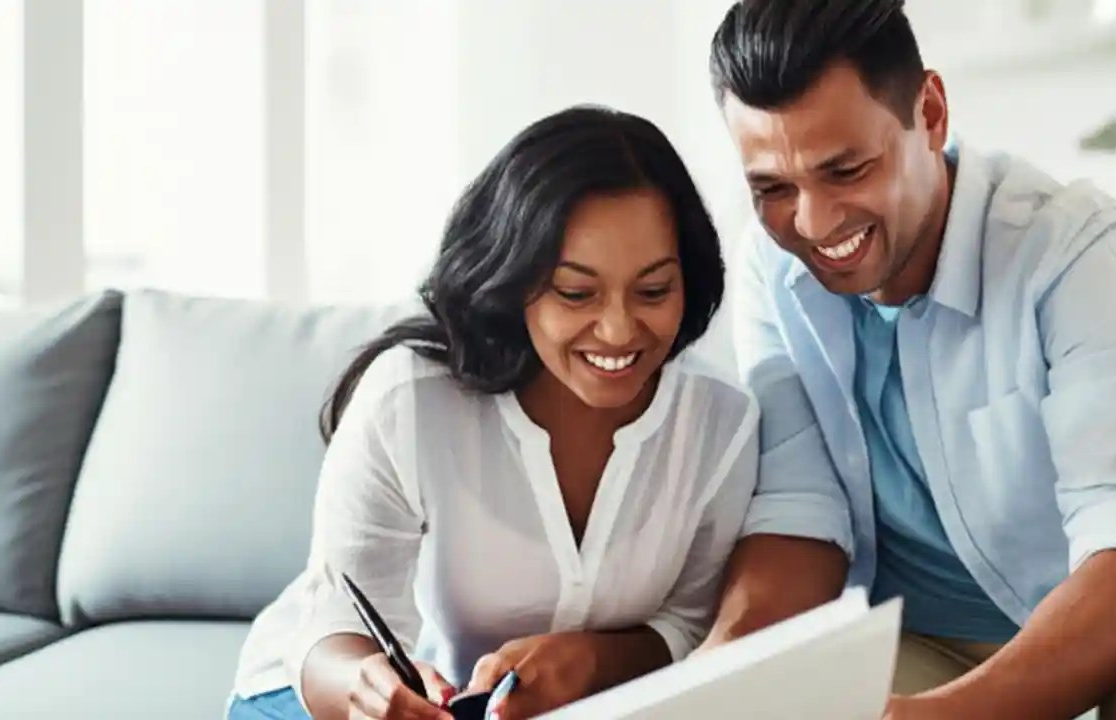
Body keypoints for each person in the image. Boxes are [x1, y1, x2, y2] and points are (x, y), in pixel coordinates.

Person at [700, 1, 1116, 718]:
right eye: (773, 188)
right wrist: (708, 678)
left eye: (847, 169)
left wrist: (951, 716)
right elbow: (801, 520)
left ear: (929, 113)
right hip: (914, 638)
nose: (813, 222)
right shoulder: (771, 268)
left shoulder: (1080, 248)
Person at [226, 106, 758, 720]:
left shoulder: (719, 424)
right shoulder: (411, 399)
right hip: (315, 698)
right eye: (576, 293)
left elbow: (689, 626)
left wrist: (588, 659)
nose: (618, 329)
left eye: (654, 291)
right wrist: (365, 691)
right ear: (516, 277)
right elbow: (335, 621)